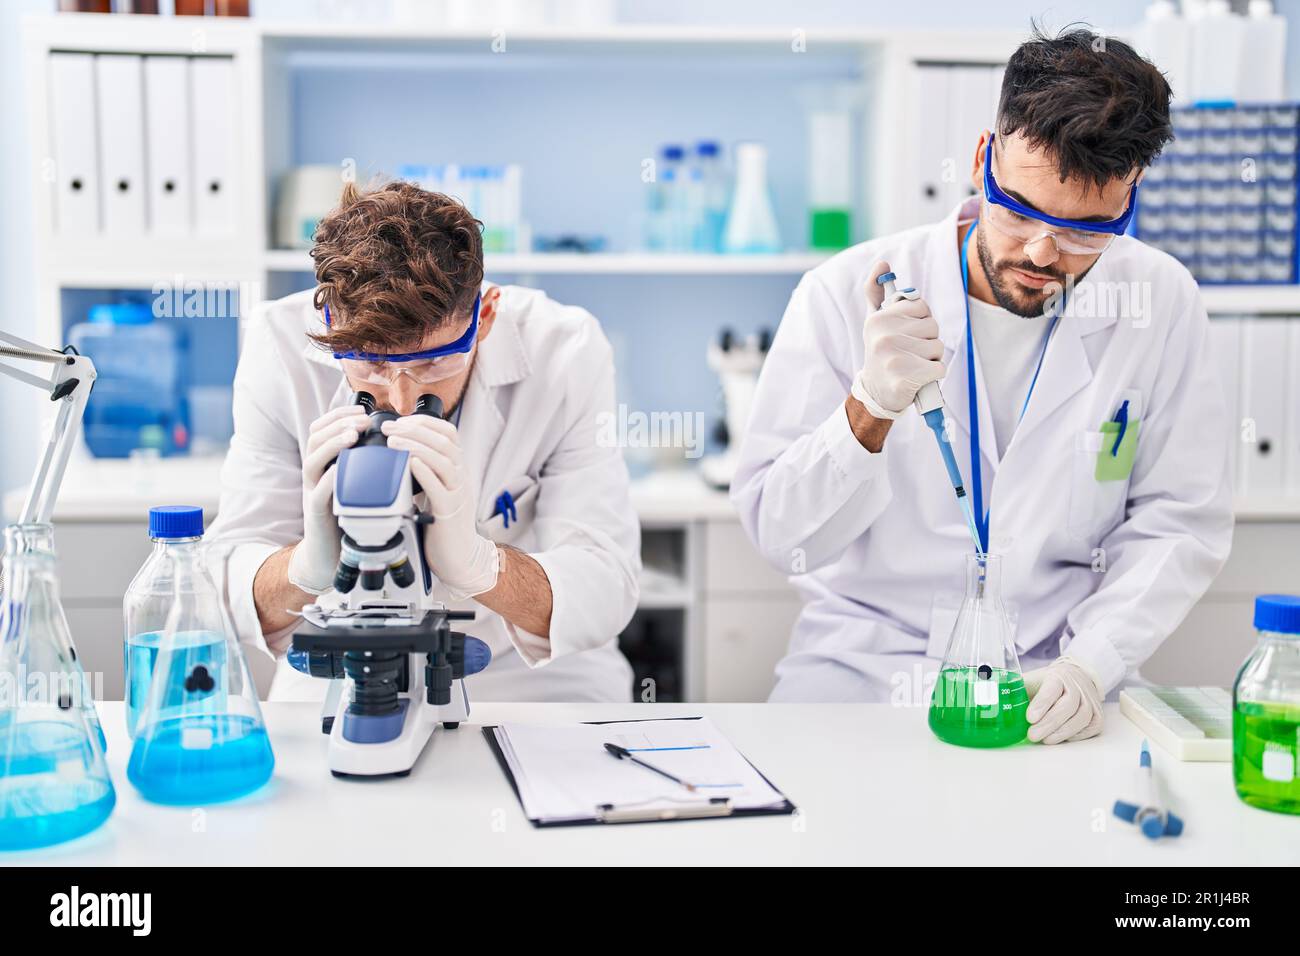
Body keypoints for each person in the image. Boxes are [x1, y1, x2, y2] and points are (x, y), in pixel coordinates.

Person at [732, 27, 1233, 743]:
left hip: (1054, 677)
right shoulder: (842, 292)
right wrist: (867, 411)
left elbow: (1179, 521)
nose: (1042, 252)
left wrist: (1092, 663)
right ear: (981, 160)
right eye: (1022, 210)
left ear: (1132, 192)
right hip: (867, 669)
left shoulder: (1161, 301)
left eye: (1087, 230)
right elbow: (781, 536)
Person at [205, 180, 640, 702]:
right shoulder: (278, 345)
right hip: (339, 660)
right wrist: (305, 567)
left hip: (525, 674)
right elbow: (223, 588)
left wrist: (481, 565)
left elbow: (605, 586)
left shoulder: (564, 350)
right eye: (369, 362)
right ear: (328, 321)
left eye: (433, 362)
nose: (402, 399)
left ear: (486, 317)